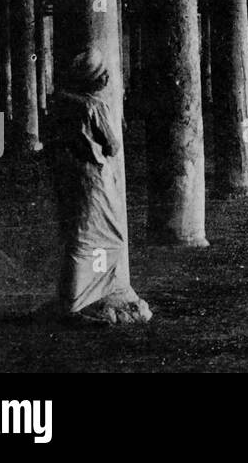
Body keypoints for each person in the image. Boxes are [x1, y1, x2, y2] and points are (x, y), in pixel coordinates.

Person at [46, 47, 151, 324]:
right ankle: (85, 298)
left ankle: (74, 296)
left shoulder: (62, 103)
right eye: (103, 73)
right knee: (104, 238)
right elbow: (113, 146)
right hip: (95, 178)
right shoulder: (94, 106)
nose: (106, 78)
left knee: (79, 236)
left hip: (69, 175)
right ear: (93, 79)